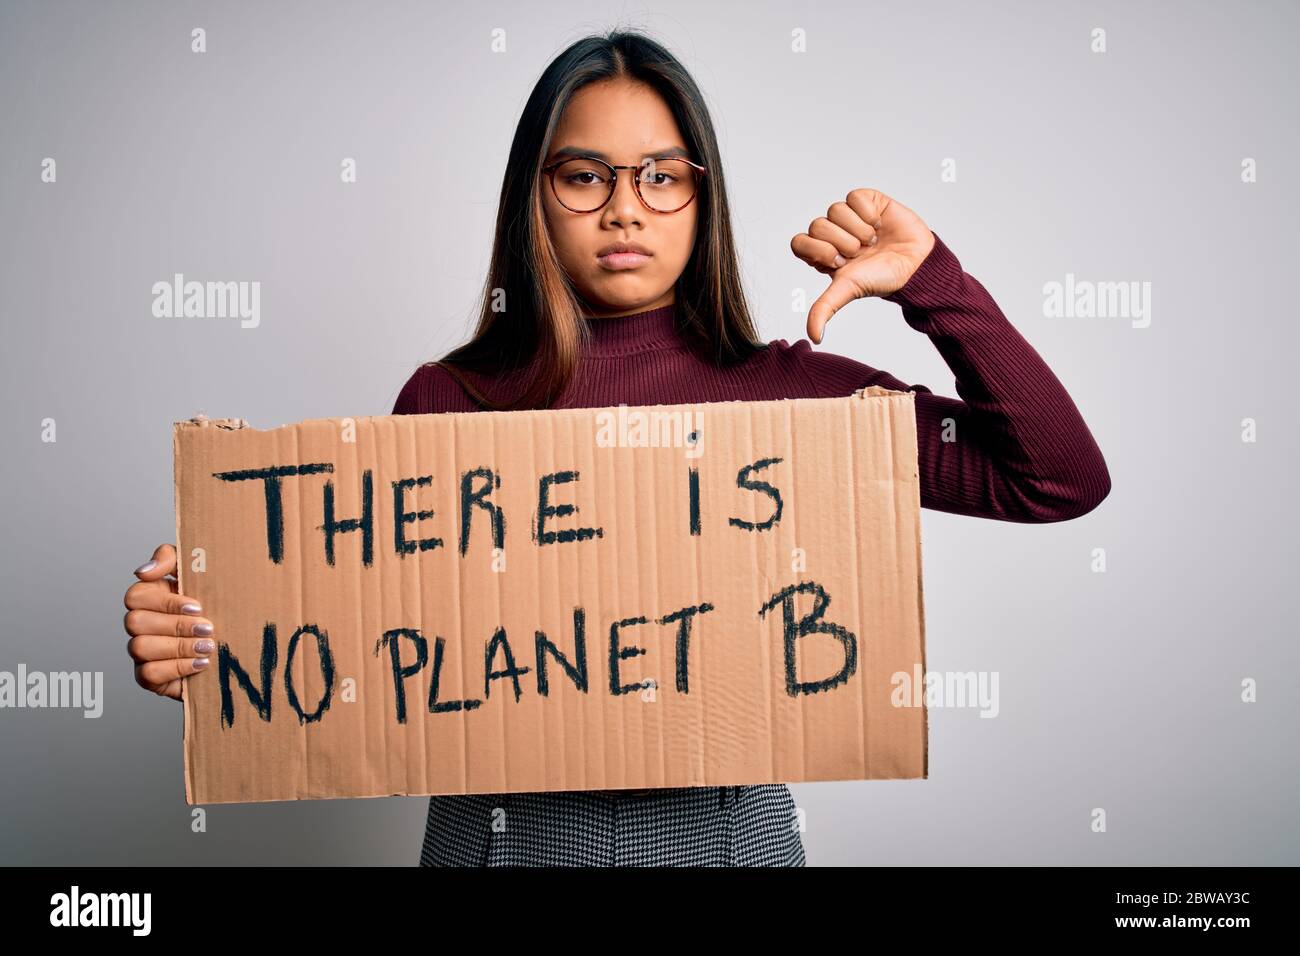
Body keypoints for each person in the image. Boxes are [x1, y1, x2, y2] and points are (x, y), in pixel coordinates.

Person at [123, 30, 1110, 867]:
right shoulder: (446, 400)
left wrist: (934, 285)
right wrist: (209, 630)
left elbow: (1056, 479)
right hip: (501, 845)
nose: (625, 207)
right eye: (584, 174)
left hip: (726, 844)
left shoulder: (796, 396)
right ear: (536, 195)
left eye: (661, 175)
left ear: (701, 195)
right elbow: (358, 642)